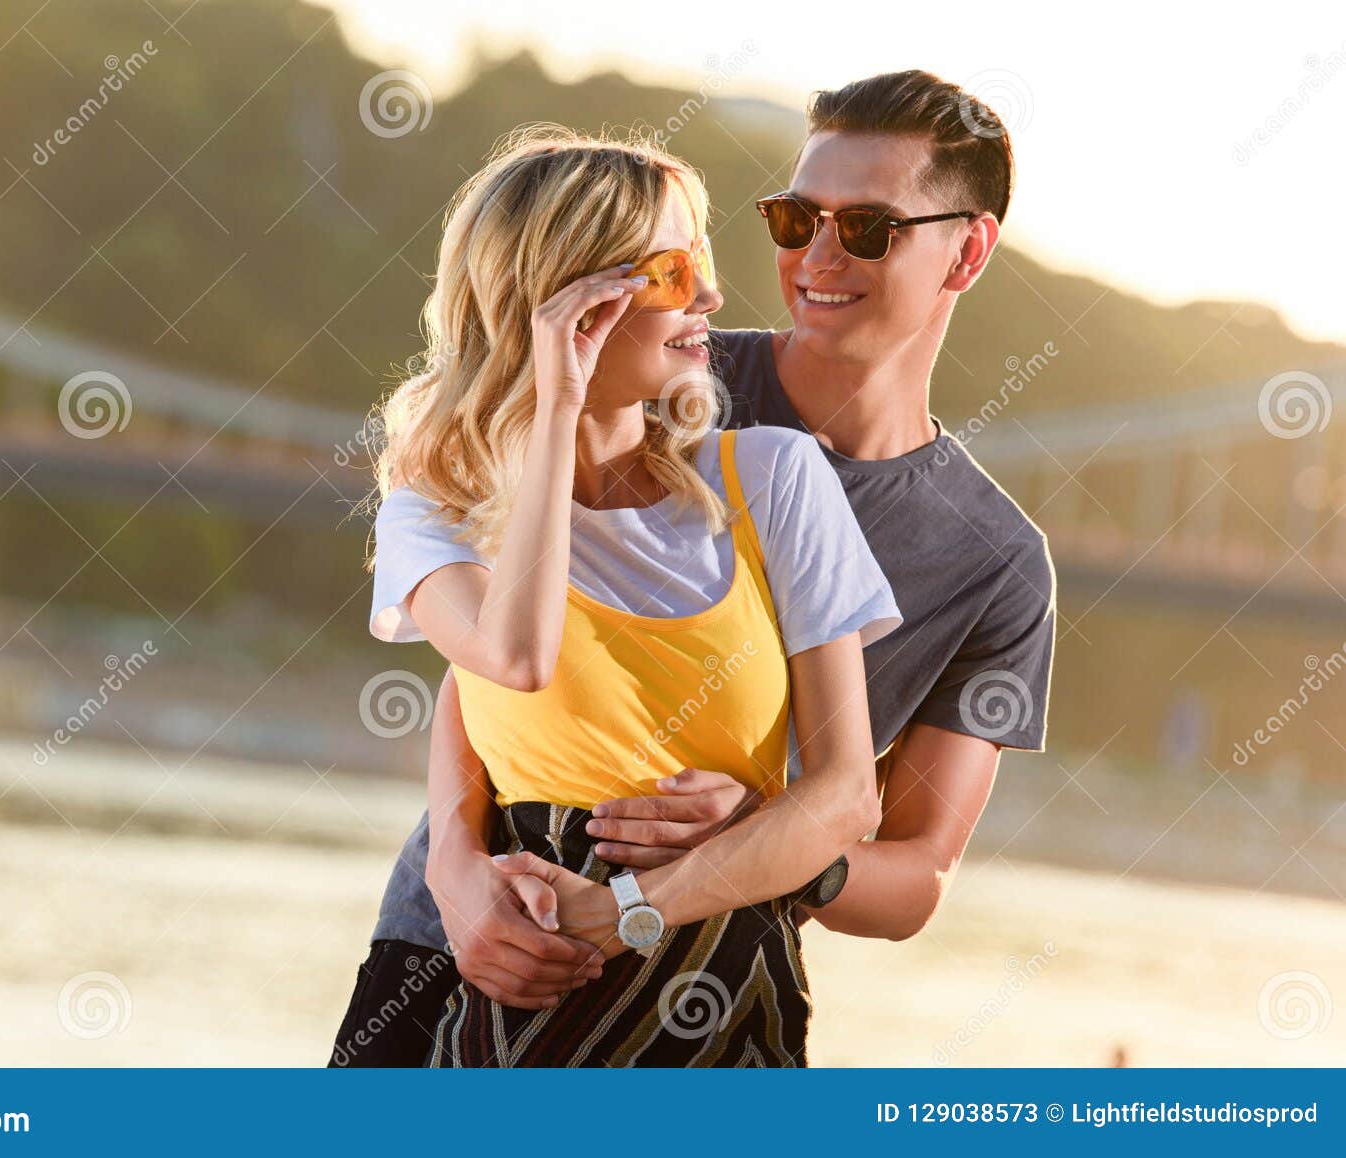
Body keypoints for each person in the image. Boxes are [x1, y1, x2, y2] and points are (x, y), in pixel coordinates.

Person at [333, 69, 1055, 1067]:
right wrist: (457, 872)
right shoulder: (651, 370)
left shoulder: (992, 560)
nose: (814, 258)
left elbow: (915, 877)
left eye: (869, 230)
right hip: (460, 936)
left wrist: (765, 841)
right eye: (797, 219)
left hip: (690, 978)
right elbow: (490, 665)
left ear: (964, 251)